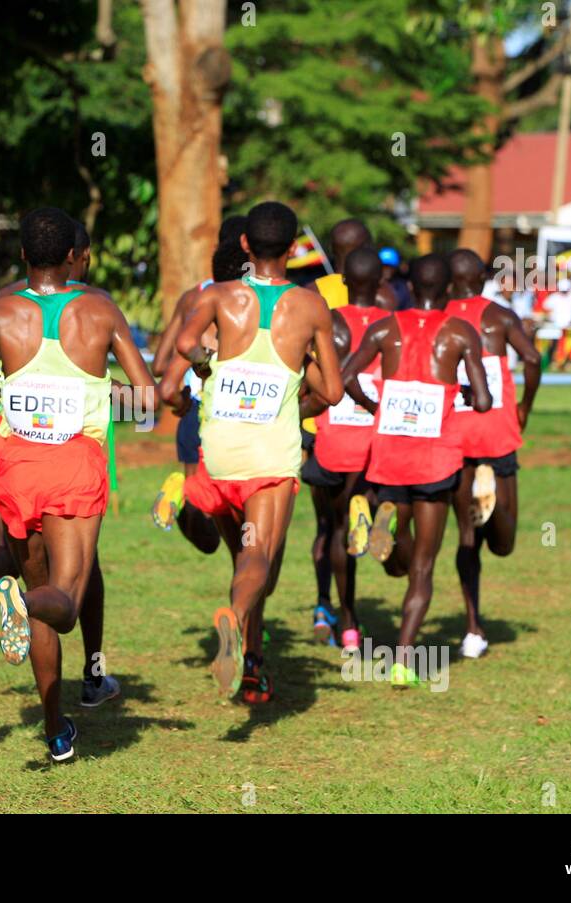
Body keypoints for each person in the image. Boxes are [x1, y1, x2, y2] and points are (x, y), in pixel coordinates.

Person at [0, 207, 153, 762]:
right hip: (75, 465)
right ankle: (22, 602)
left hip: (16, 464)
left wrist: (14, 388)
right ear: (74, 255)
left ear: (22, 256)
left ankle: (54, 729)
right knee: (63, 601)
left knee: (37, 582)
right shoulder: (99, 310)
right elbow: (143, 391)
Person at [170, 201, 344, 702]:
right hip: (271, 452)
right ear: (293, 249)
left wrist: (209, 365)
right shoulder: (311, 306)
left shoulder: (221, 296)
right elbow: (331, 391)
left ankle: (252, 663)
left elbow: (185, 343)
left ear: (244, 244)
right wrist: (297, 376)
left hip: (220, 447)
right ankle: (239, 624)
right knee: (259, 557)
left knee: (242, 557)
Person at [342, 253, 490, 687]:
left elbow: (348, 377)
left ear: (411, 286)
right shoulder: (461, 332)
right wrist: (458, 391)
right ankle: (404, 659)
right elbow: (482, 401)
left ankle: (380, 523)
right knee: (422, 566)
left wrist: (376, 406)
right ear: (446, 291)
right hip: (435, 460)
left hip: (388, 454)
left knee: (397, 559)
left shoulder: (385, 327)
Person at [444, 249, 542, 660]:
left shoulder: (438, 320)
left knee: (466, 539)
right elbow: (533, 358)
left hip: (450, 437)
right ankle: (493, 506)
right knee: (503, 545)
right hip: (496, 434)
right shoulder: (500, 317)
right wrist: (524, 408)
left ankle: (472, 629)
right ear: (483, 276)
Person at [302, 247, 389, 652]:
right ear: (382, 282)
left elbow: (320, 382)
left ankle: (347, 624)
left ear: (345, 283)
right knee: (375, 503)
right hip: (378, 443)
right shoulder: (394, 328)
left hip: (333, 440)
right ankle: (368, 509)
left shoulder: (331, 324)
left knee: (334, 532)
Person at [149, 215, 249, 552]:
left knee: (207, 536)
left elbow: (162, 364)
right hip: (243, 414)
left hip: (195, 410)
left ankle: (183, 493)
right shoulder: (258, 301)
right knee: (245, 523)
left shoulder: (195, 296)